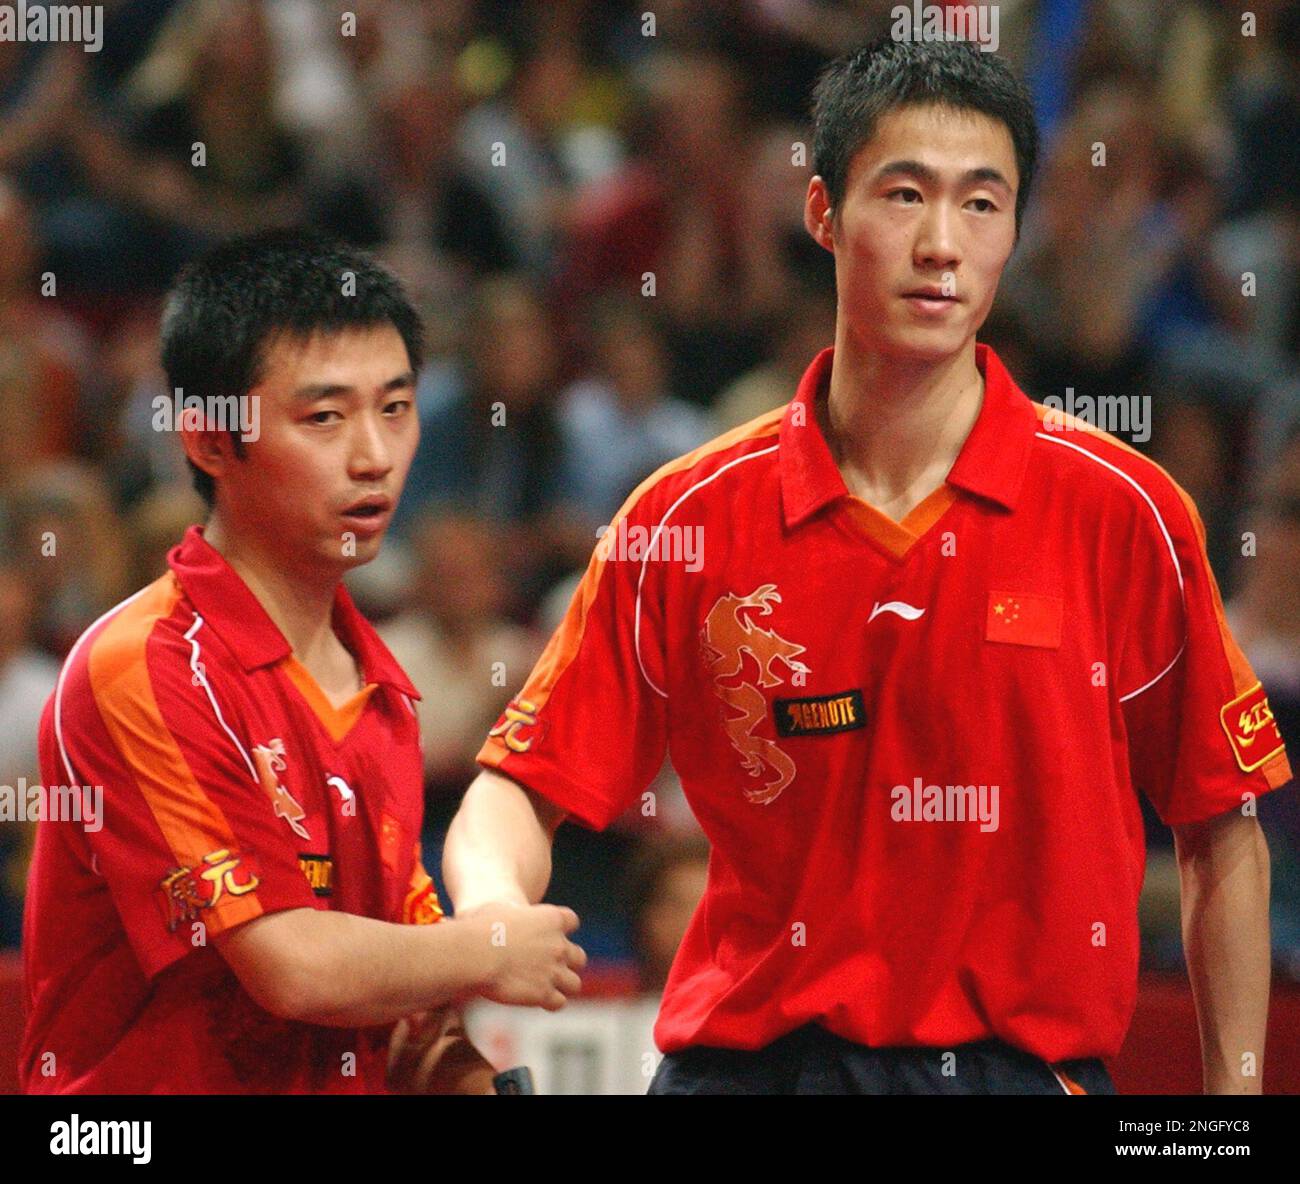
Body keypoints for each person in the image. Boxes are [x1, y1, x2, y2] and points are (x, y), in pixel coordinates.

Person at [443, 37, 1293, 1095]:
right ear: (823, 212)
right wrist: (492, 910)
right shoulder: (685, 517)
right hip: (748, 1073)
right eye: (904, 194)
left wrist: (1231, 1109)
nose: (942, 244)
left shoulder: (1126, 513)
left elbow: (1223, 829)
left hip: (1018, 1077)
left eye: (981, 204)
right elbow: (516, 789)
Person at [20, 228, 585, 1094]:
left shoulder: (379, 688)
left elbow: (401, 1010)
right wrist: (491, 945)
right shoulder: (147, 666)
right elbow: (293, 966)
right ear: (209, 441)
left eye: (395, 408)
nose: (374, 456)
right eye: (324, 417)